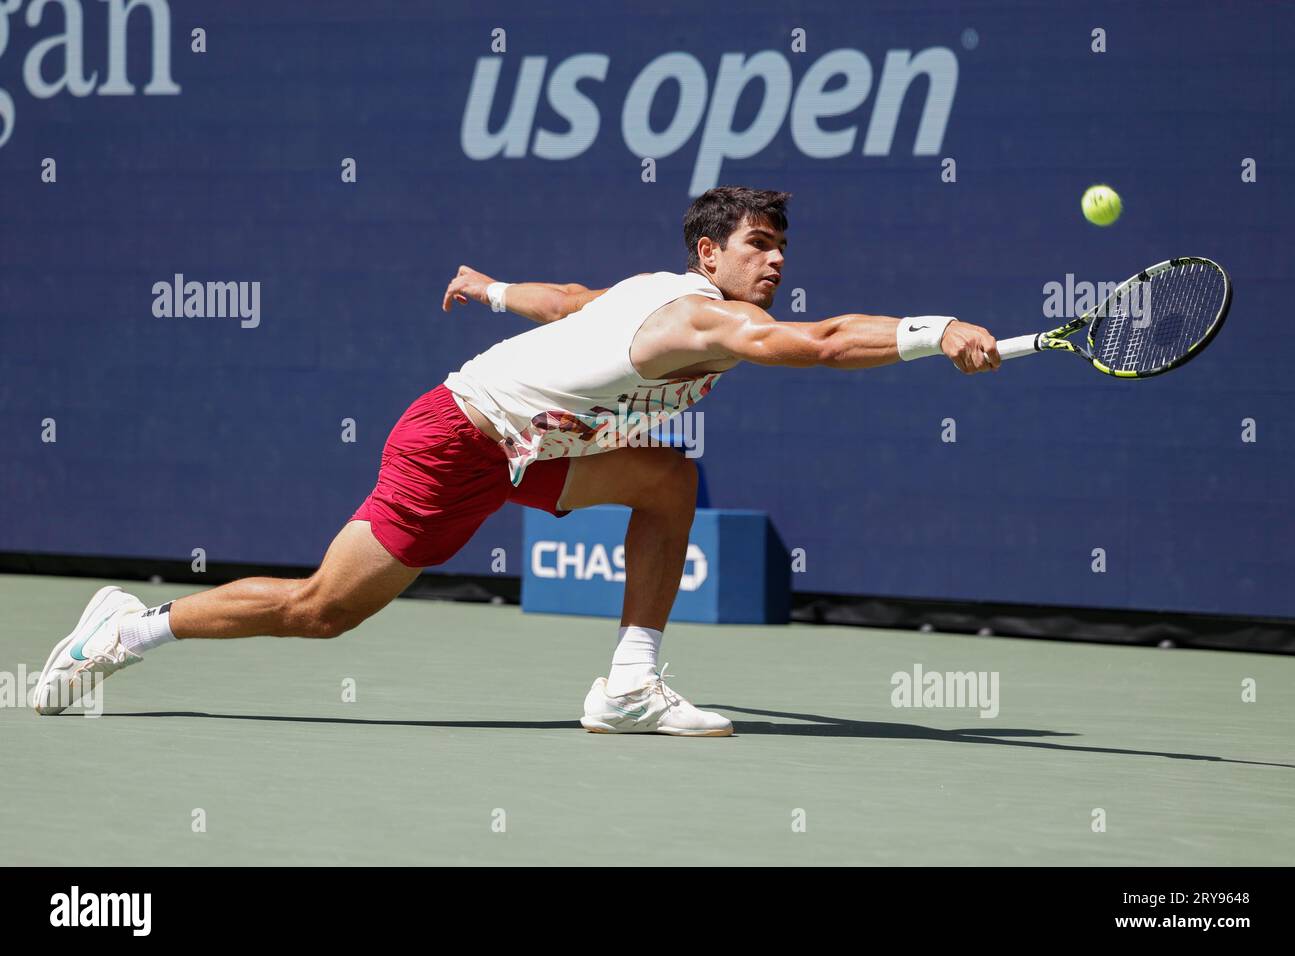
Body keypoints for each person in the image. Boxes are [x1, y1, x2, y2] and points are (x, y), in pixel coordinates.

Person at [32, 186, 1000, 736]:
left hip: (526, 447)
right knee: (321, 610)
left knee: (667, 479)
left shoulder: (654, 288)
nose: (775, 262)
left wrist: (491, 287)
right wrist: (936, 328)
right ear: (709, 253)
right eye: (758, 245)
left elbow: (572, 296)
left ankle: (628, 682)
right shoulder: (704, 313)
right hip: (458, 438)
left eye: (782, 247)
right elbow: (824, 342)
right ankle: (128, 626)